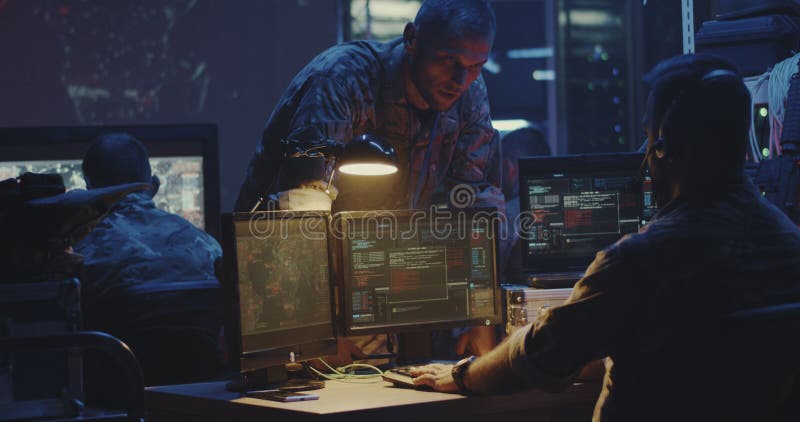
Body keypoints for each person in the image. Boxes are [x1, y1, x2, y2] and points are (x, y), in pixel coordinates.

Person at [408, 54, 800, 421]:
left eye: (647, 136)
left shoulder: (640, 262)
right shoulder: (790, 246)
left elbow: (540, 353)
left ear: (662, 148)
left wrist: (464, 375)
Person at [235, 0, 504, 363]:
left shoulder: (469, 92)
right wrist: (316, 329)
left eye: (475, 66)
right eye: (448, 60)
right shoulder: (340, 79)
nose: (461, 80)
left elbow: (471, 200)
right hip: (282, 288)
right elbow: (302, 211)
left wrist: (481, 314)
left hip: (377, 291)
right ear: (412, 39)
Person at [74, 133, 223, 390]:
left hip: (114, 399)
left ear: (89, 190)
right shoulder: (208, 246)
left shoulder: (80, 254)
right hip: (201, 397)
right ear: (154, 184)